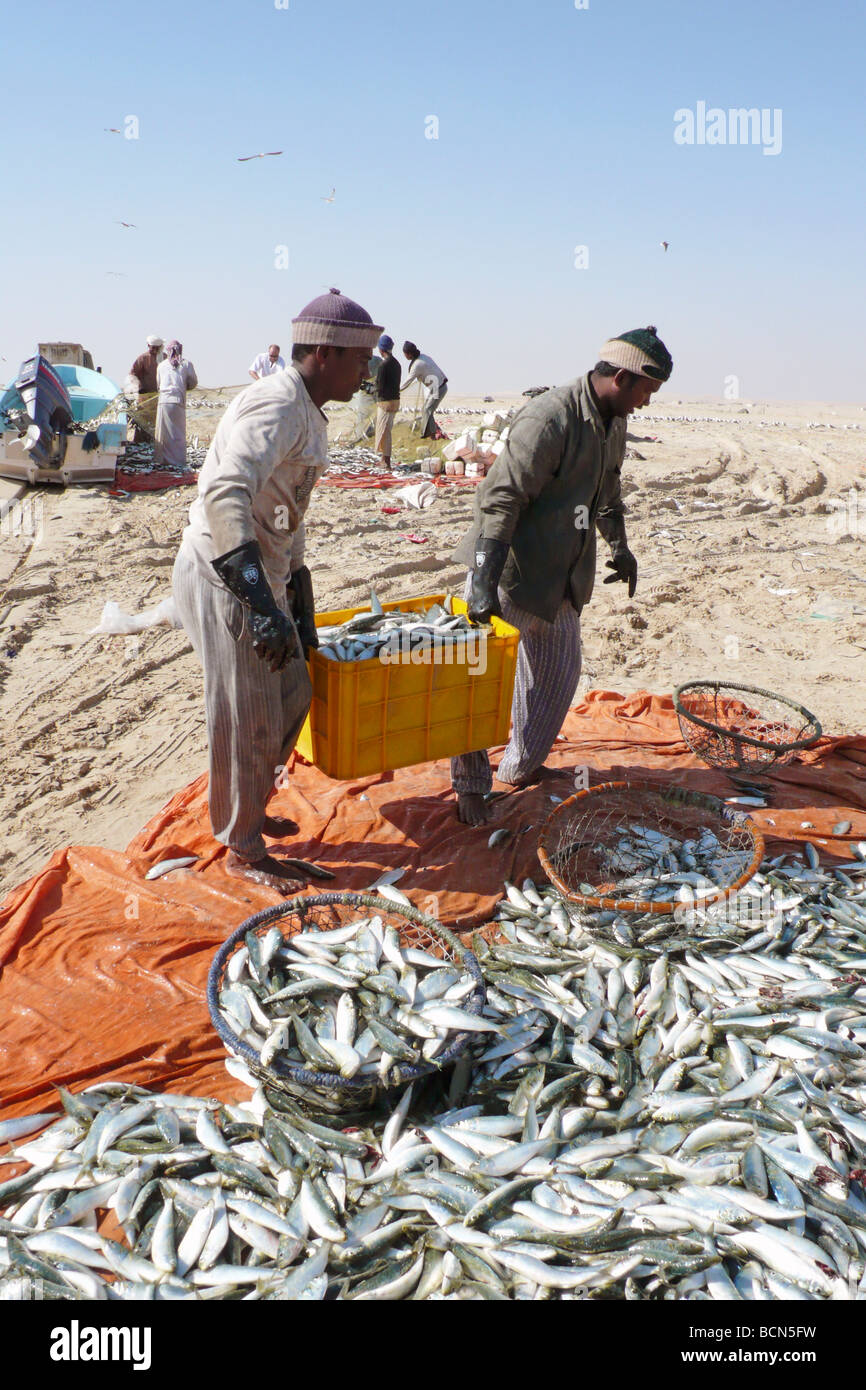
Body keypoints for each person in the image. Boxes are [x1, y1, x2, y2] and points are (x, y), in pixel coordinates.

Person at [172, 289, 382, 894]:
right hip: (227, 576)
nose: (367, 371)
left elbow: (288, 508)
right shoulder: (277, 403)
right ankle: (242, 849)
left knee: (292, 692)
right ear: (324, 353)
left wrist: (296, 596)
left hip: (263, 577)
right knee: (249, 715)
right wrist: (260, 604)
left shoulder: (308, 411)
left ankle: (249, 805)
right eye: (359, 359)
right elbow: (226, 494)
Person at [450, 325, 674, 826]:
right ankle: (469, 787)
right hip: (510, 572)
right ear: (621, 378)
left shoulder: (614, 423)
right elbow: (500, 499)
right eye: (646, 390)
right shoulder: (549, 417)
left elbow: (608, 491)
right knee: (477, 682)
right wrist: (483, 583)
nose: (646, 402)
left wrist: (620, 548)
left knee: (556, 677)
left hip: (563, 578)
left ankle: (519, 767)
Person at [154, 340, 198, 468]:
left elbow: (158, 384)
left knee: (163, 433)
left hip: (163, 401)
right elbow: (193, 382)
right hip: (177, 401)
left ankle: (162, 460)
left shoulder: (161, 365)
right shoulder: (186, 364)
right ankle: (177, 462)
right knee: (177, 433)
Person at [400, 341, 448, 439]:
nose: (404, 355)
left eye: (405, 353)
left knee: (427, 410)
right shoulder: (423, 357)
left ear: (409, 354)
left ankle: (432, 435)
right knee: (426, 410)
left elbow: (408, 381)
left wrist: (396, 390)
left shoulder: (417, 364)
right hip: (437, 386)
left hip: (438, 388)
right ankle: (430, 433)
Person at [128, 335, 163, 443]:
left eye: (157, 348)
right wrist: (140, 387)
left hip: (160, 397)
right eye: (153, 348)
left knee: (158, 423)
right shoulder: (143, 358)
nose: (155, 350)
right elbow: (132, 374)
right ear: (148, 346)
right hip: (145, 397)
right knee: (143, 422)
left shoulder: (164, 358)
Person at [374, 334, 401, 466]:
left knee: (383, 431)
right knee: (387, 429)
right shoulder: (397, 364)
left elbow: (379, 386)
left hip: (385, 403)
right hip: (395, 401)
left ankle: (386, 461)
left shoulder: (383, 365)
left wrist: (371, 390)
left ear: (381, 349)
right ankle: (384, 459)